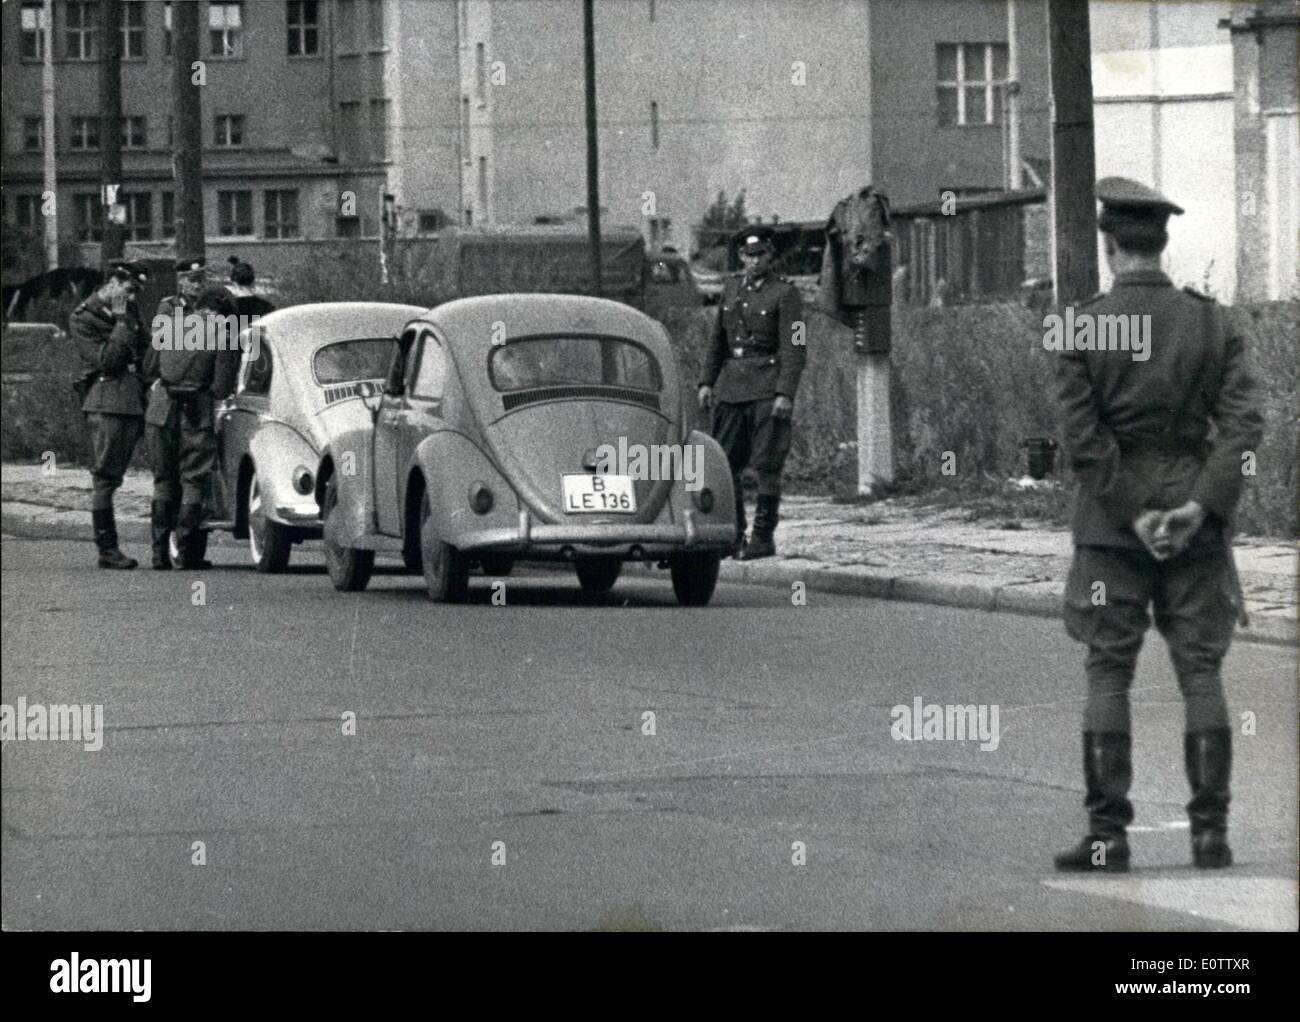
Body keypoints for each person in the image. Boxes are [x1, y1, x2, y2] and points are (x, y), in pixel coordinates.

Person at [1052, 177, 1265, 873]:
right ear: (1162, 243)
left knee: (1109, 672)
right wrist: (1198, 505)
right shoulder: (1213, 322)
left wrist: (1137, 512)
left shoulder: (1082, 323)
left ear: (1111, 247)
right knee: (1201, 670)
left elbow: (1082, 440)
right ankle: (1211, 834)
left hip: (1114, 530)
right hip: (1197, 523)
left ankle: (1107, 837)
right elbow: (1241, 425)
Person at [698, 226, 806, 559]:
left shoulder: (786, 294)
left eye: (760, 255)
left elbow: (795, 347)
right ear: (741, 257)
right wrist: (706, 382)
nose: (754, 261)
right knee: (725, 463)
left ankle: (762, 538)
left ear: (770, 255)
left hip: (766, 388)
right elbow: (718, 341)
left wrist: (785, 392)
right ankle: (733, 534)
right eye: (748, 255)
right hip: (732, 388)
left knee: (766, 465)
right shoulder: (731, 289)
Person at [144, 262, 241, 570]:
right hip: (195, 412)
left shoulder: (170, 320)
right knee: (193, 480)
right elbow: (222, 387)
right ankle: (185, 553)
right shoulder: (222, 331)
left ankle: (159, 554)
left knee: (163, 480)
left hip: (161, 409)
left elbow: (150, 366)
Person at [69, 261, 152, 569]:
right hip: (108, 403)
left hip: (134, 400)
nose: (131, 298)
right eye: (129, 290)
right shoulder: (84, 317)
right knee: (105, 478)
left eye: (135, 293)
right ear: (112, 283)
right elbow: (108, 361)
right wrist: (119, 323)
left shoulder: (129, 311)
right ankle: (107, 548)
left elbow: (144, 349)